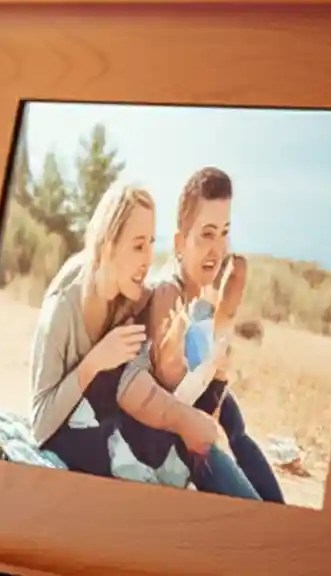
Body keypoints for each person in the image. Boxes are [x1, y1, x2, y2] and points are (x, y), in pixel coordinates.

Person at [29, 182, 259, 500]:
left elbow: (136, 373)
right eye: (138, 246)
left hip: (128, 428)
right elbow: (39, 424)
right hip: (88, 440)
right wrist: (94, 362)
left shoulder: (129, 299)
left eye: (151, 244)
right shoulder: (62, 310)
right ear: (108, 246)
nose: (148, 259)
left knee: (220, 440)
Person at [144, 167, 286, 503]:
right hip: (185, 439)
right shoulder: (167, 294)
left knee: (238, 428)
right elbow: (172, 390)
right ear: (180, 242)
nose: (217, 247)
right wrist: (212, 364)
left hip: (209, 412)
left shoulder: (202, 294)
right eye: (206, 234)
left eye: (224, 233)